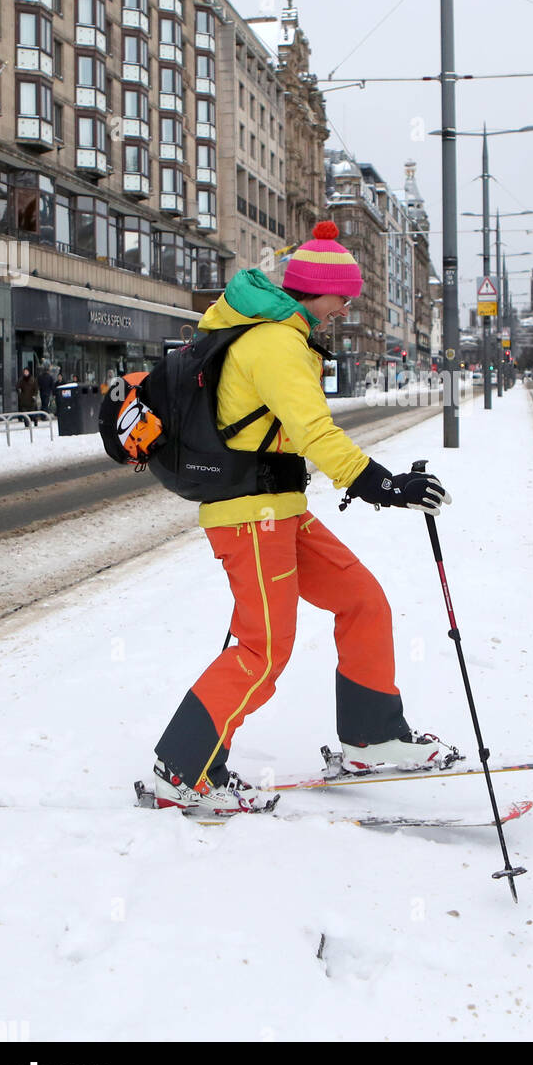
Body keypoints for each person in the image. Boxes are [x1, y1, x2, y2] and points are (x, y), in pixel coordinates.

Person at [151, 221, 457, 814]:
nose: (347, 307)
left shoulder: (285, 335)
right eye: (344, 296)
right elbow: (315, 430)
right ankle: (182, 770)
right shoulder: (274, 343)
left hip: (282, 510)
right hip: (250, 516)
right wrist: (378, 483)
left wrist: (374, 481)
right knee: (264, 648)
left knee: (362, 600)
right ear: (318, 291)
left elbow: (295, 432)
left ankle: (374, 739)